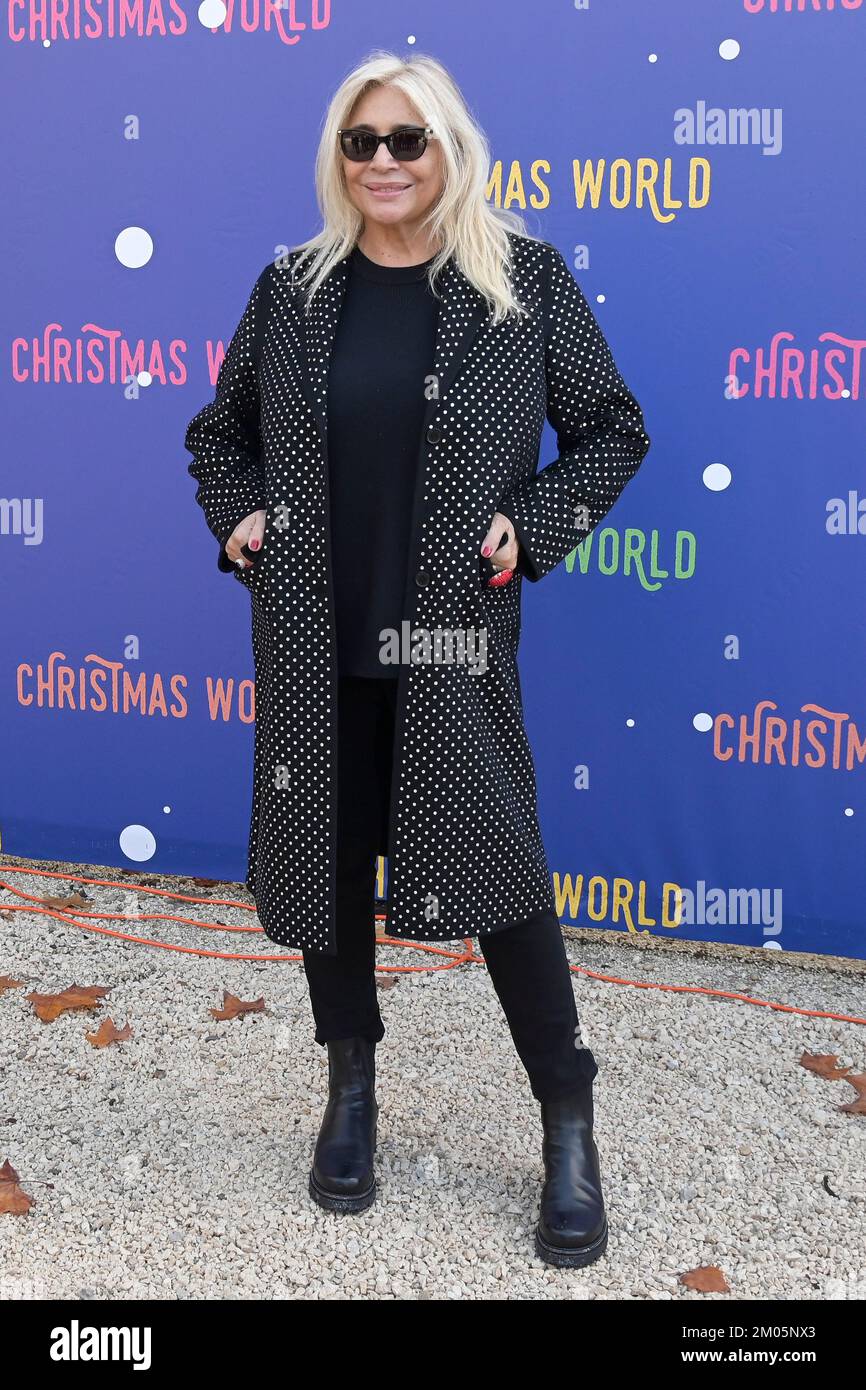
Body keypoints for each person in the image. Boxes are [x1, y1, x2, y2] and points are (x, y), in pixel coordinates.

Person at [184, 50, 651, 1269]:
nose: (382, 162)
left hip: (450, 641)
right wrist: (233, 514)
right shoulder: (291, 289)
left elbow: (612, 430)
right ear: (338, 159)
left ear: (450, 148)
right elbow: (217, 434)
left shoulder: (522, 285)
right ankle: (350, 1087)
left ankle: (564, 1108)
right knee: (330, 870)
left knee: (500, 872)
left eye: (406, 139)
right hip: (310, 638)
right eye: (360, 142)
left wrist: (532, 524)